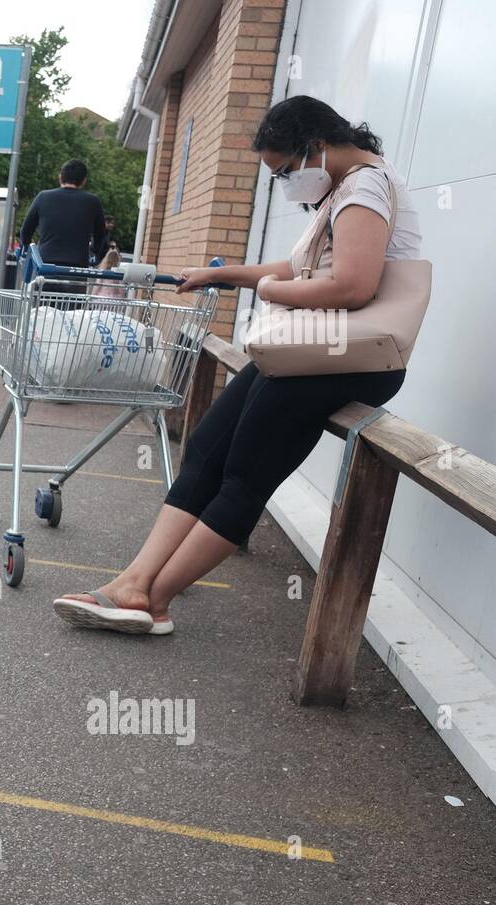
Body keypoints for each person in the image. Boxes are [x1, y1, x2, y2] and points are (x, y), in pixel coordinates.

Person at [53, 96, 423, 638]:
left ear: (314, 145)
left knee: (245, 474)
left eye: (283, 171)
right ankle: (134, 581)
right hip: (320, 351)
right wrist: (223, 275)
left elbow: (354, 285)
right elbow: (298, 267)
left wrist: (272, 291)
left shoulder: (365, 188)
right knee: (207, 446)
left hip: (348, 359)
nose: (284, 183)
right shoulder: (347, 186)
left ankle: (152, 598)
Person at [19, 159, 107, 292]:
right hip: (76, 270)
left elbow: (26, 231)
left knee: (42, 311)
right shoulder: (92, 202)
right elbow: (101, 235)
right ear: (84, 180)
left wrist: (27, 248)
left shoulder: (43, 197)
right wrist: (94, 252)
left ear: (61, 176)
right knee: (73, 311)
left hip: (45, 267)